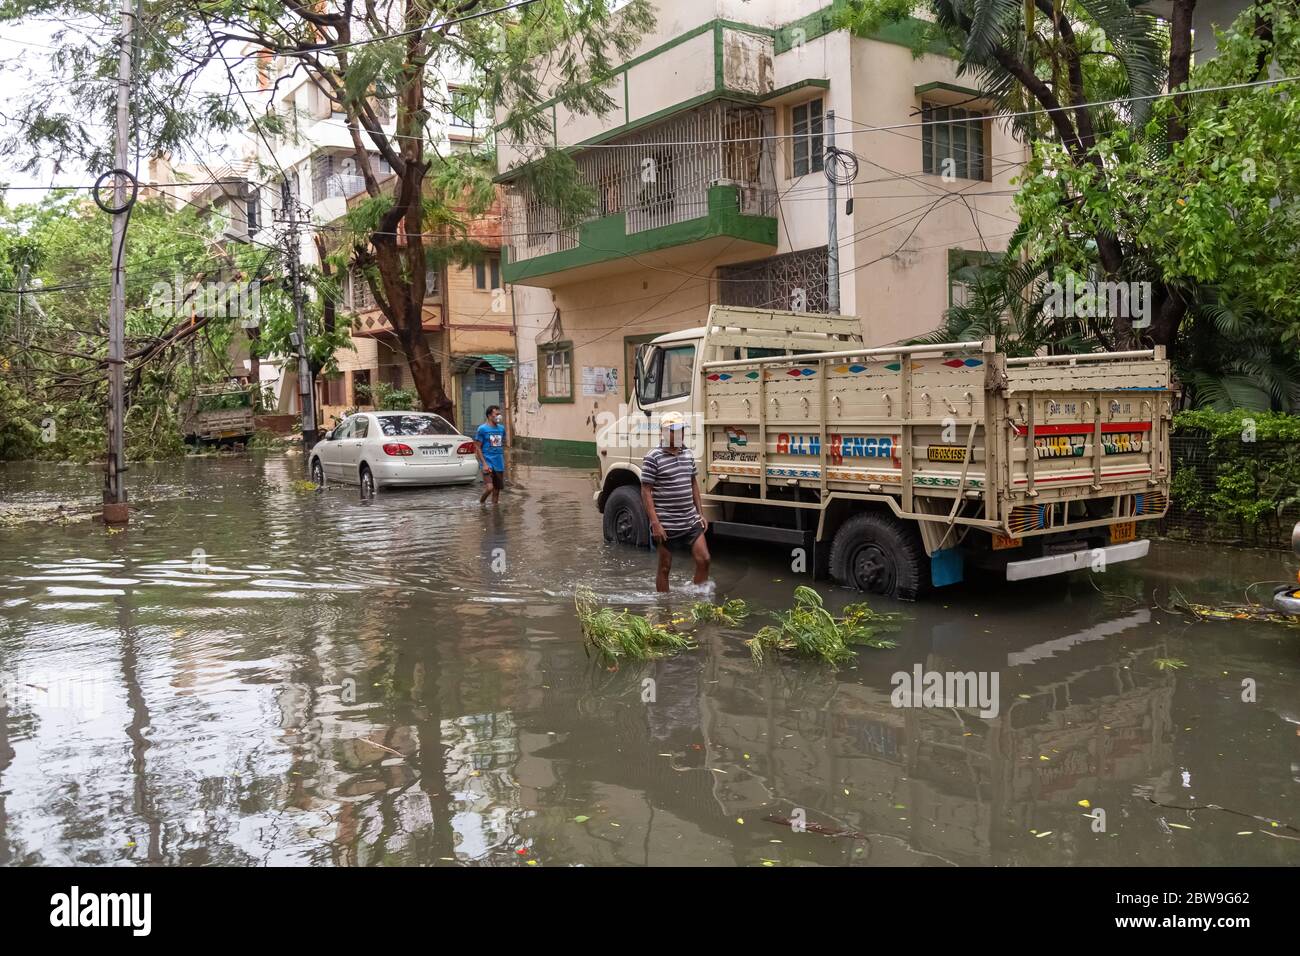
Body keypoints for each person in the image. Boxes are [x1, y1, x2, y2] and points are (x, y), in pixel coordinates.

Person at [640, 411, 710, 592]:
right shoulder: (653, 457)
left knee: (704, 559)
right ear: (663, 432)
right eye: (673, 430)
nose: (679, 434)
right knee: (664, 567)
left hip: (690, 520)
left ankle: (698, 601)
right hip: (666, 523)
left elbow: (693, 483)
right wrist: (655, 523)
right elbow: (646, 491)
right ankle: (664, 610)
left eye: (681, 430)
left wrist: (700, 514)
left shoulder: (687, 453)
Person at [475, 405, 507, 506]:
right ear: (489, 416)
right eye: (496, 414)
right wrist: (484, 464)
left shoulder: (502, 429)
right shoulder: (482, 429)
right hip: (487, 462)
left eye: (499, 414)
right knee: (490, 488)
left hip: (499, 463)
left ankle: (494, 513)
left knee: (496, 492)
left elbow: (503, 444)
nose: (499, 416)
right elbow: (477, 447)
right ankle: (481, 504)